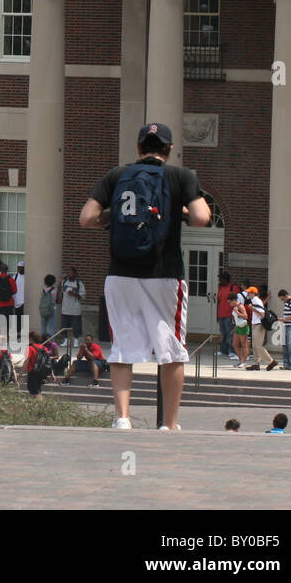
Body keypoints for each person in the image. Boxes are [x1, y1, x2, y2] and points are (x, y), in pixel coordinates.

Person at [81, 122, 210, 431]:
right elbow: (202, 218)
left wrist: (111, 219)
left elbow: (87, 218)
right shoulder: (182, 176)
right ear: (169, 150)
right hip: (164, 274)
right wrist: (176, 211)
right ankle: (169, 423)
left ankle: (122, 418)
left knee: (122, 348)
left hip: (121, 275)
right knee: (171, 350)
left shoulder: (116, 176)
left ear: (138, 149)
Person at [247, 286, 275, 371]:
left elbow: (262, 314)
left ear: (253, 293)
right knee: (255, 346)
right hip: (255, 324)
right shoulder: (255, 300)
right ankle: (256, 363)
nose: (248, 294)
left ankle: (271, 361)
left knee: (258, 346)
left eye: (249, 293)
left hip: (259, 325)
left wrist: (252, 309)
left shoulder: (256, 300)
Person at [57, 267, 84, 346]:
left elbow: (83, 295)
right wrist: (60, 282)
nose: (69, 275)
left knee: (76, 326)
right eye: (69, 273)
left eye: (71, 273)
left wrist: (74, 294)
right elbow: (59, 290)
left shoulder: (79, 283)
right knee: (64, 325)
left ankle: (76, 340)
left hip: (75, 309)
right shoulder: (64, 282)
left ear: (75, 274)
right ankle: (66, 340)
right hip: (65, 308)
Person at [216, 270, 238, 360]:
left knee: (230, 334)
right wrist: (216, 315)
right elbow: (219, 301)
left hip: (229, 315)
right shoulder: (221, 288)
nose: (220, 281)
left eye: (221, 279)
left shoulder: (233, 287)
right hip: (221, 314)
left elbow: (236, 301)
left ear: (226, 279)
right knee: (223, 333)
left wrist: (235, 315)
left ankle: (231, 351)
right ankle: (223, 350)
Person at [23, 329, 51, 396]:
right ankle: (36, 405)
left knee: (34, 392)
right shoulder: (44, 348)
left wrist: (21, 372)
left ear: (31, 338)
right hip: (42, 372)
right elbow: (48, 361)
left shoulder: (29, 348)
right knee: (37, 390)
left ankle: (38, 405)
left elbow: (27, 361)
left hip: (33, 372)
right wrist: (51, 373)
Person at [231, 292, 251, 368]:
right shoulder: (235, 307)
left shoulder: (240, 306)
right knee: (235, 345)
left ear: (233, 300)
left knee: (244, 345)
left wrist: (237, 312)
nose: (229, 304)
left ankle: (244, 362)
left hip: (243, 327)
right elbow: (236, 319)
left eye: (230, 302)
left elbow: (246, 316)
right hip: (238, 327)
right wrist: (234, 328)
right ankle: (241, 360)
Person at [38, 274, 57, 339]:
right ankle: (51, 342)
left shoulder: (43, 290)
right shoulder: (54, 290)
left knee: (43, 327)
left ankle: (41, 342)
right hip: (51, 310)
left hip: (43, 310)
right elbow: (54, 301)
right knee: (51, 327)